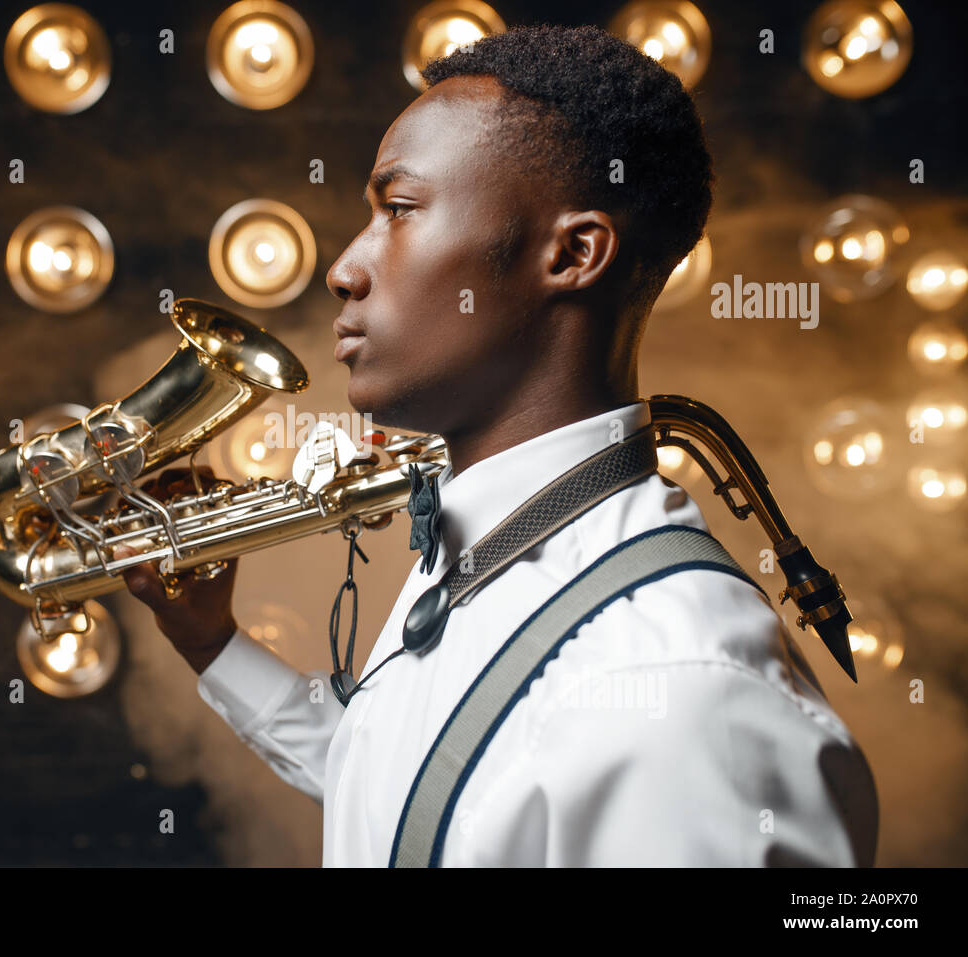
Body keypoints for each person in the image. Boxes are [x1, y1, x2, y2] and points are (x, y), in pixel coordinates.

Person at [112, 23, 879, 866]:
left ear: (573, 252)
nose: (343, 268)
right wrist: (209, 641)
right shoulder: (499, 543)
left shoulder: (686, 689)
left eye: (398, 210)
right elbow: (438, 791)